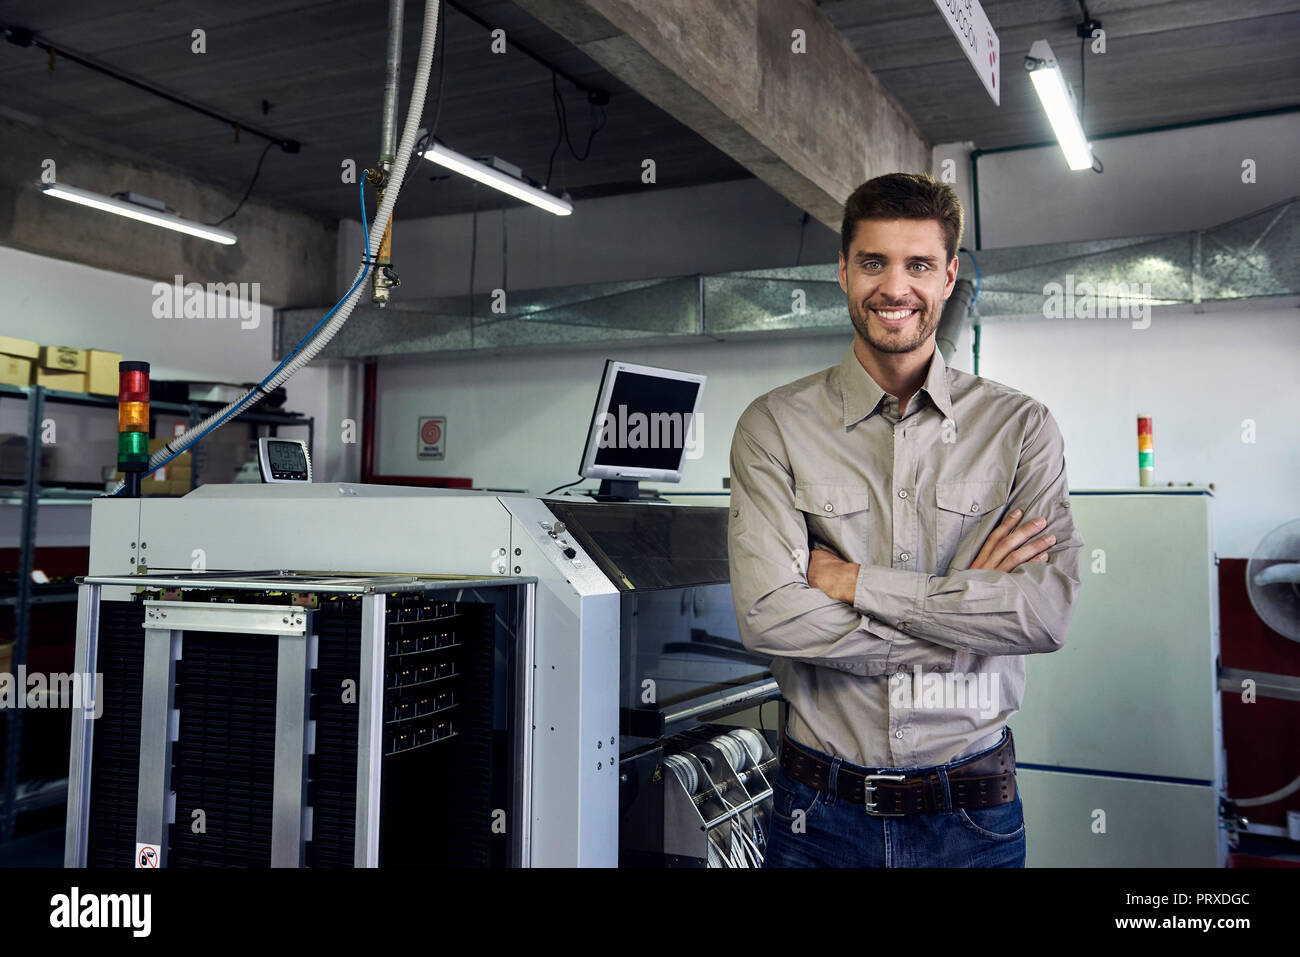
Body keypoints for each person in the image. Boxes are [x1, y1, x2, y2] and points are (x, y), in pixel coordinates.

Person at [727, 172, 1084, 867]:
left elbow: (1044, 616)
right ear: (842, 271)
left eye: (918, 264)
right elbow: (768, 616)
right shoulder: (773, 425)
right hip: (817, 815)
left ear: (949, 276)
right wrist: (964, 624)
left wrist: (854, 581)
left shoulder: (1020, 428)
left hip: (971, 815)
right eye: (874, 262)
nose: (896, 287)